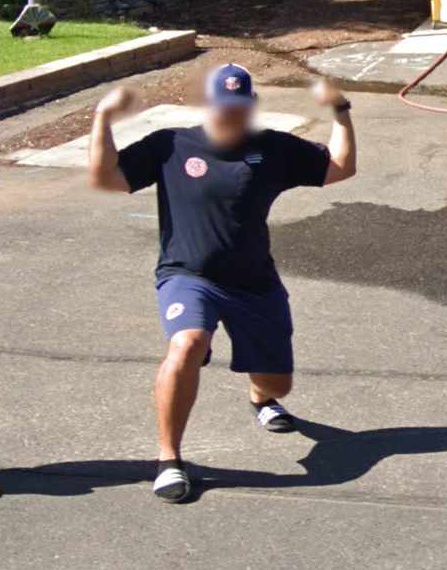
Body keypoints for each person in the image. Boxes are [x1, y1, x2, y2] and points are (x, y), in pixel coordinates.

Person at [88, 64, 357, 503]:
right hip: (187, 275)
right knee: (186, 344)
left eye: (238, 106)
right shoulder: (170, 145)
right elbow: (107, 177)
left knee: (277, 385)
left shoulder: (272, 148)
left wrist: (341, 110)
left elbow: (340, 167)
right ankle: (169, 460)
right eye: (221, 105)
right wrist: (102, 117)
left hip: (254, 283)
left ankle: (260, 397)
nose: (229, 113)